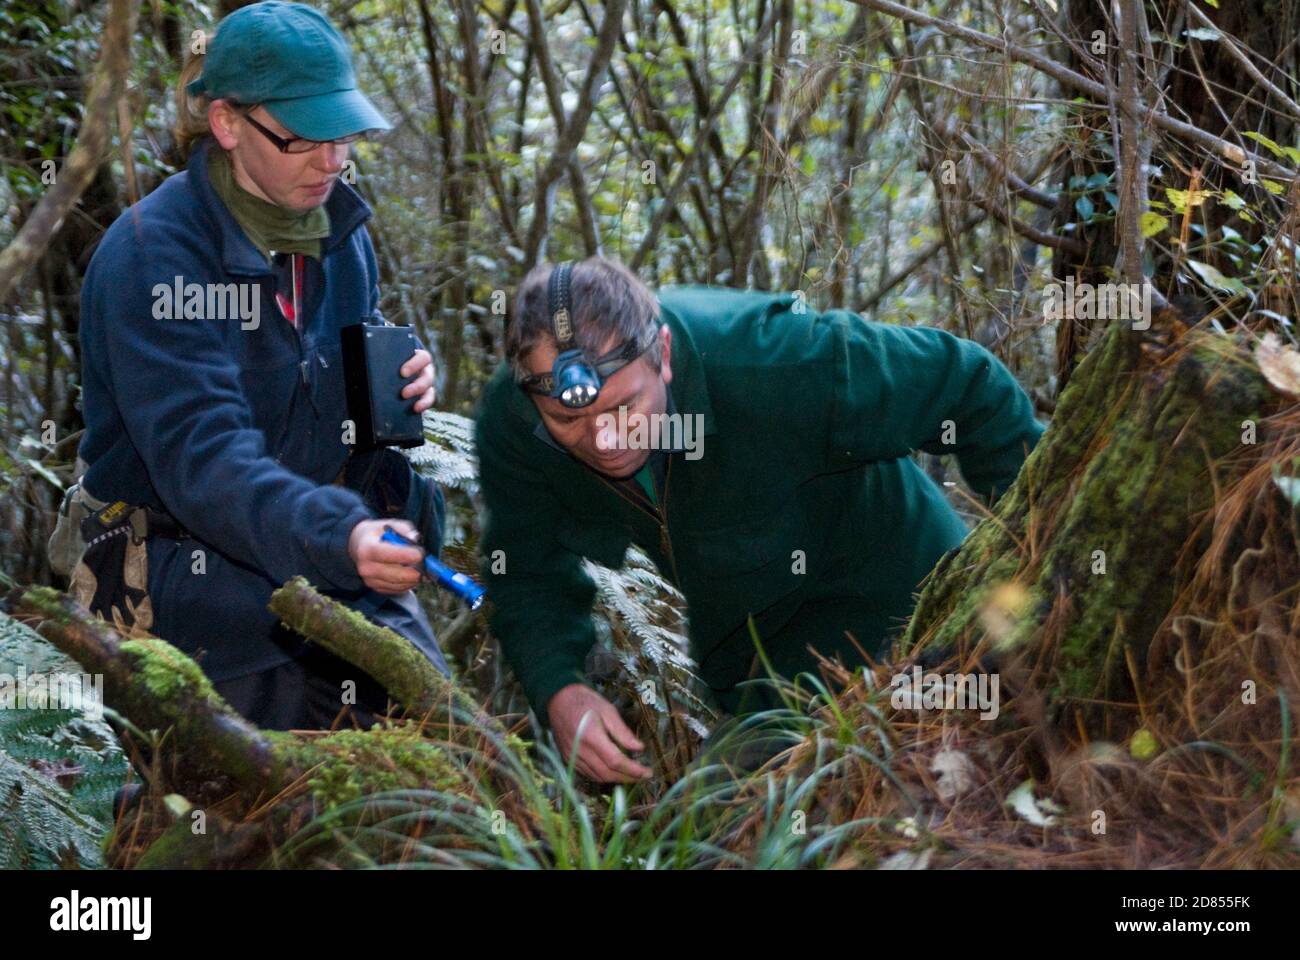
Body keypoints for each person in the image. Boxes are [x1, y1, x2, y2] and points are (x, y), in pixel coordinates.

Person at [475, 257, 1045, 783]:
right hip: (770, 673)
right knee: (701, 837)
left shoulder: (771, 360)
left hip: (918, 610)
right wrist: (560, 687)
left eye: (624, 408)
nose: (604, 441)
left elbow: (967, 384)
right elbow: (527, 571)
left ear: (664, 354)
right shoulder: (517, 420)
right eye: (566, 420)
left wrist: (1037, 552)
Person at [53, 1, 450, 732]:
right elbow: (205, 460)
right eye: (301, 140)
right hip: (178, 581)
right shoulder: (155, 259)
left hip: (320, 558)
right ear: (228, 123)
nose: (331, 162)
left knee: (439, 760)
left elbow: (333, 396)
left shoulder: (339, 235)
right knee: (254, 813)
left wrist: (404, 392)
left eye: (344, 136)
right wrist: (338, 536)